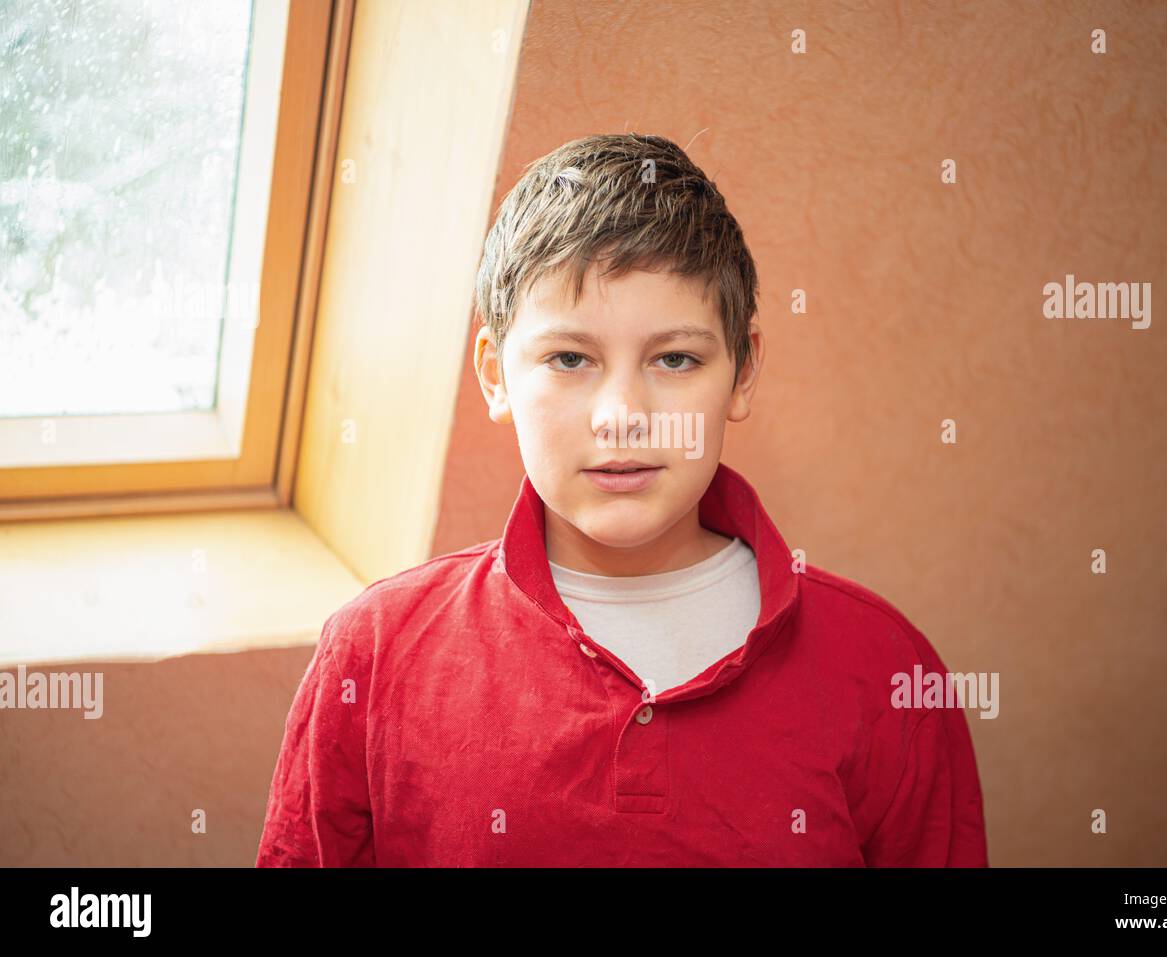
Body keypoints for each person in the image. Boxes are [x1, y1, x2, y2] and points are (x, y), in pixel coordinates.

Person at [255, 133, 988, 867]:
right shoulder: (374, 653)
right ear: (494, 375)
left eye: (675, 359)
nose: (621, 416)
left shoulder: (888, 670)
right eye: (569, 358)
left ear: (742, 373)